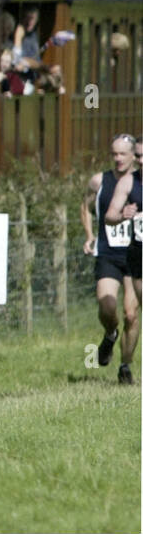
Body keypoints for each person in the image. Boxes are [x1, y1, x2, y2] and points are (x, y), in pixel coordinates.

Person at [83, 135, 139, 384]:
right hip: (108, 252)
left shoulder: (136, 182)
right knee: (106, 306)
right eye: (113, 154)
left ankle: (125, 366)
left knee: (130, 314)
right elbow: (85, 206)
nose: (118, 158)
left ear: (132, 156)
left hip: (134, 254)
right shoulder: (100, 180)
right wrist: (89, 235)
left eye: (123, 154)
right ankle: (110, 334)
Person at [104, 136, 143, 385]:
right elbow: (109, 216)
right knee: (131, 314)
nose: (141, 160)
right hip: (138, 254)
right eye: (138, 156)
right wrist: (122, 215)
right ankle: (125, 365)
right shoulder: (130, 182)